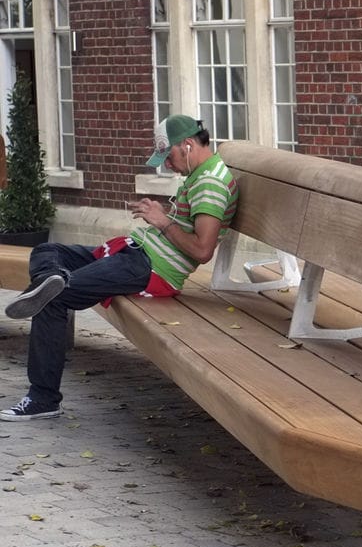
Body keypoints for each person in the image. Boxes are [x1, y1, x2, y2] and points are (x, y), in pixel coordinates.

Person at [1, 114, 238, 421]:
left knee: (53, 299)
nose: (167, 165)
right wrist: (163, 217)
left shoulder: (211, 184)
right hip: (133, 251)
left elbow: (203, 250)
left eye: (169, 157)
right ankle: (53, 279)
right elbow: (189, 228)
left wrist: (162, 221)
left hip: (149, 268)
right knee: (47, 250)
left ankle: (43, 399)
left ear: (188, 145)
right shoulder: (202, 174)